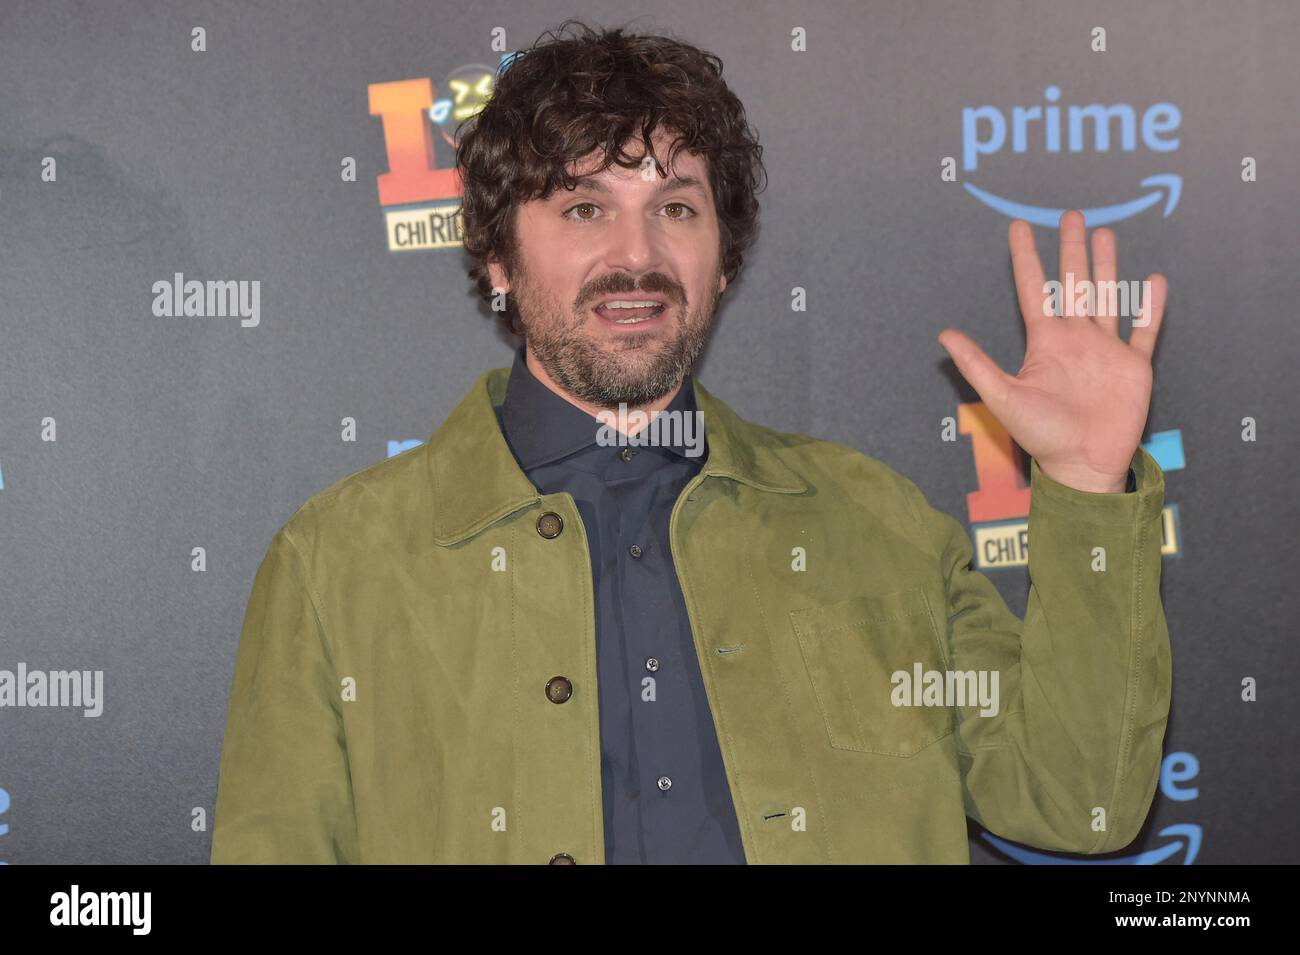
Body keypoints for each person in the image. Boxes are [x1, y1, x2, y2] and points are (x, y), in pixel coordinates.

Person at [211, 20, 1171, 864]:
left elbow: (1078, 803)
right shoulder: (337, 564)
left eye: (675, 207)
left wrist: (1086, 484)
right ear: (498, 256)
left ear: (723, 262)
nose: (636, 255)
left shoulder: (878, 524)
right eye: (584, 208)